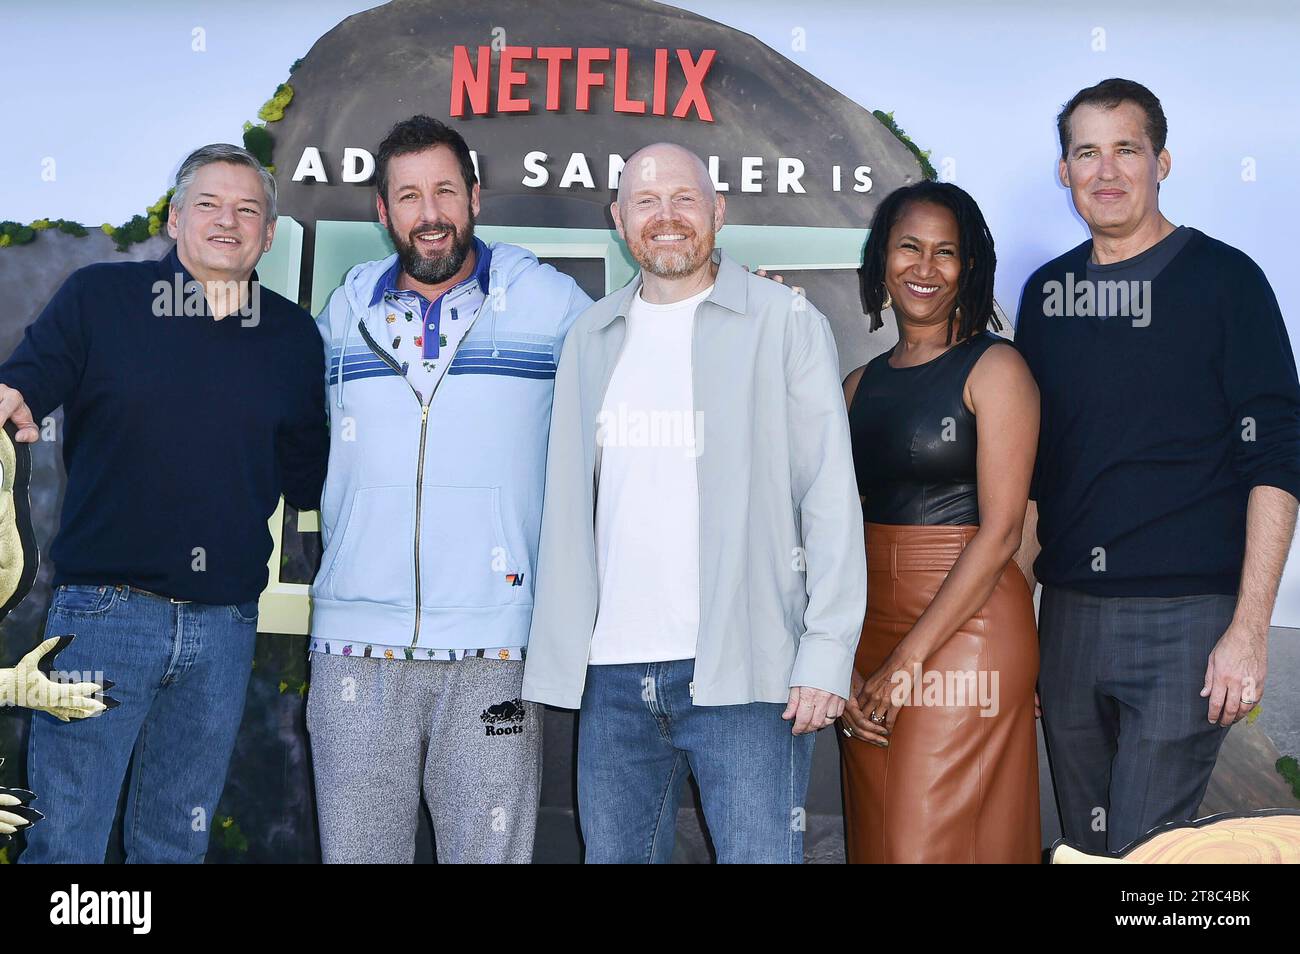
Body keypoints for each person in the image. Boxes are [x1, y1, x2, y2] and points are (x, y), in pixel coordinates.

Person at [522, 142, 865, 864]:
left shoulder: (784, 322)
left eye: (684, 198)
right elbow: (567, 509)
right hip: (612, 677)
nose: (667, 217)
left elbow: (829, 496)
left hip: (747, 673)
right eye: (646, 201)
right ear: (618, 219)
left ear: (719, 211)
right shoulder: (590, 337)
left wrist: (827, 653)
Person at [0, 144, 328, 863]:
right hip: (103, 620)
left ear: (269, 235)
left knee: (174, 848)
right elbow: (23, 387)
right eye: (208, 203)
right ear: (175, 219)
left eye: (248, 209)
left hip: (224, 629)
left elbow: (312, 477)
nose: (228, 220)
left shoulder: (294, 339)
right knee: (64, 842)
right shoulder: (98, 301)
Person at [1014, 78, 1300, 854]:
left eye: (1126, 149)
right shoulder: (1048, 296)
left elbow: (1277, 456)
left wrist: (1248, 630)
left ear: (1162, 160)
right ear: (1064, 171)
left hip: (1189, 621)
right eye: (1086, 152)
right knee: (1086, 845)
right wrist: (1019, 630)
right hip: (1067, 618)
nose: (1105, 171)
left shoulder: (1226, 281)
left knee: (1146, 853)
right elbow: (1037, 478)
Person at [306, 115, 591, 863]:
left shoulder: (552, 305)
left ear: (474, 196)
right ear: (383, 211)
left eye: (443, 191)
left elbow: (636, 392)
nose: (428, 214)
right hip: (354, 649)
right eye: (408, 196)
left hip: (494, 650)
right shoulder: (343, 314)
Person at [838, 180, 1041, 863]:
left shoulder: (997, 367)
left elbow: (1004, 531)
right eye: (909, 248)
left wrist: (906, 664)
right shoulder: (858, 385)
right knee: (879, 841)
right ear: (881, 260)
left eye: (946, 252)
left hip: (967, 627)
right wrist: (845, 660)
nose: (925, 268)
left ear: (971, 266)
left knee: (920, 844)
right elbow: (836, 528)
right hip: (871, 629)